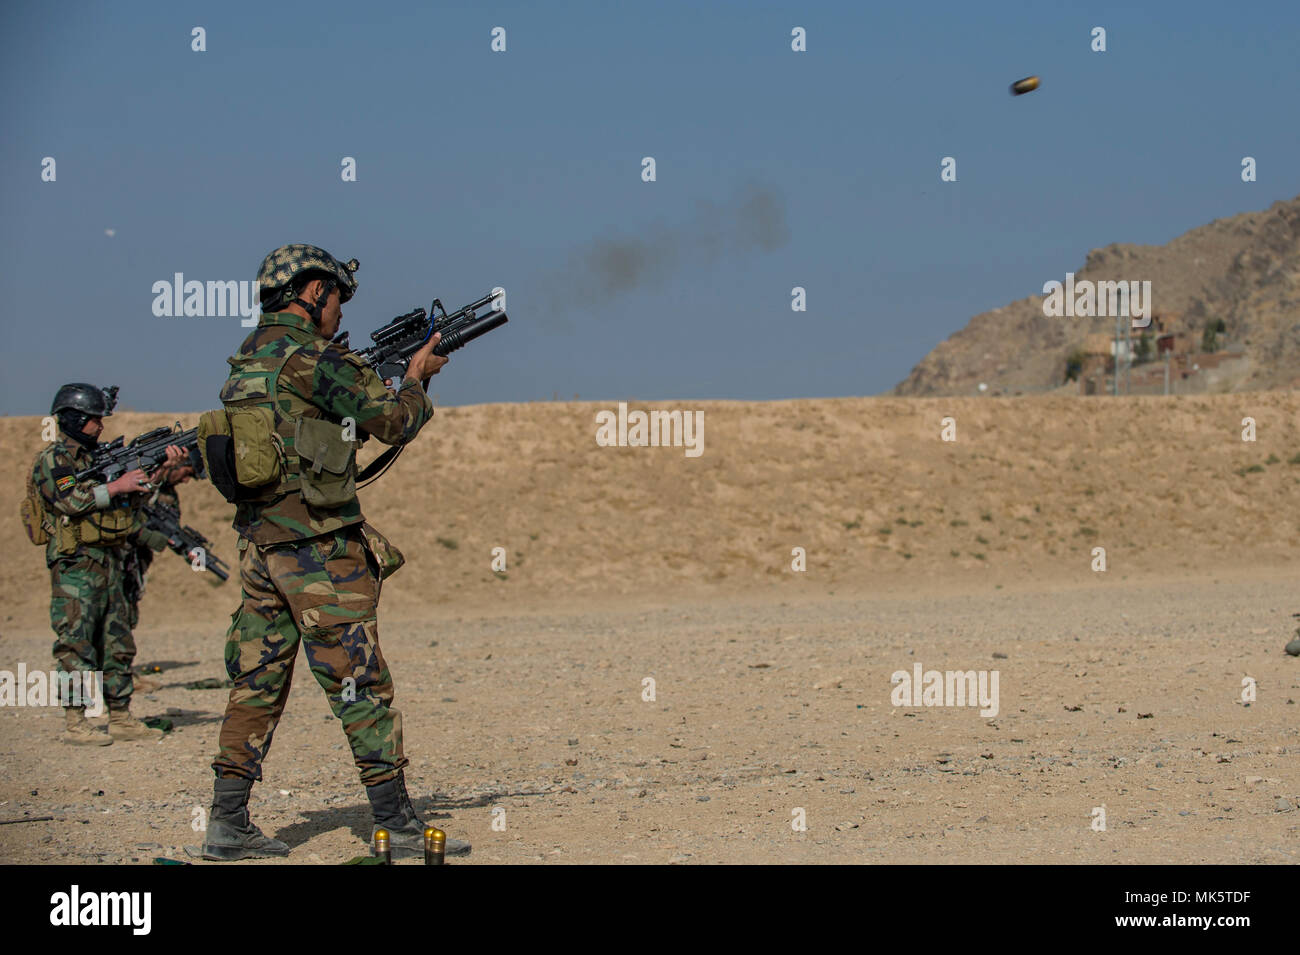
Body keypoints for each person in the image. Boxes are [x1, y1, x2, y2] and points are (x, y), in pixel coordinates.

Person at [201, 244, 467, 861]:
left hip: (261, 548)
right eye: (336, 296)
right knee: (359, 684)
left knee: (256, 684)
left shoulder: (247, 361)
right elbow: (390, 421)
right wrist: (416, 382)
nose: (338, 310)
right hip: (318, 550)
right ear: (314, 291)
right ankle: (399, 829)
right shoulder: (314, 358)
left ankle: (227, 823)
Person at [31, 383, 184, 744]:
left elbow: (132, 507)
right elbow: (68, 501)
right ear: (72, 419)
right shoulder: (55, 461)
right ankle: (76, 721)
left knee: (118, 641)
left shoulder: (97, 458)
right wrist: (116, 487)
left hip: (111, 559)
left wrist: (157, 471)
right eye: (93, 420)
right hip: (76, 565)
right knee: (77, 642)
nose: (100, 426)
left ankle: (121, 716)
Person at [124, 454, 202, 692]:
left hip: (136, 562)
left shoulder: (169, 497)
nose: (186, 480)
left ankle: (122, 672)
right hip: (117, 557)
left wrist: (191, 551)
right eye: (187, 473)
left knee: (126, 616)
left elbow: (172, 533)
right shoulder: (139, 479)